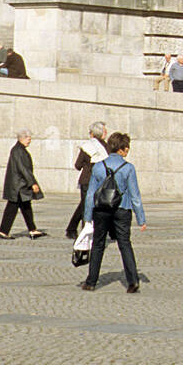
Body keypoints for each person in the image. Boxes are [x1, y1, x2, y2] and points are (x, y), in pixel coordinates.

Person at [81, 132, 146, 294]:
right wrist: (141, 218)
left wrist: (87, 217)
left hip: (101, 210)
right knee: (125, 243)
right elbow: (135, 195)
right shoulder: (128, 168)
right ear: (123, 150)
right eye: (127, 149)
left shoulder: (98, 166)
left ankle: (91, 282)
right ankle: (133, 281)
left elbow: (90, 194)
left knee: (98, 244)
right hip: (122, 209)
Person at [0, 130, 46, 240]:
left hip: (19, 184)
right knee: (14, 207)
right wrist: (32, 183)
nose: (30, 141)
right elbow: (23, 169)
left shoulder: (19, 150)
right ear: (22, 138)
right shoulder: (18, 151)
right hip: (19, 185)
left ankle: (32, 230)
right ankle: (3, 232)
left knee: (25, 206)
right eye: (28, 139)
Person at [66, 121, 108, 239]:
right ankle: (79, 230)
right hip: (100, 181)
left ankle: (74, 229)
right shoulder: (106, 147)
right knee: (88, 206)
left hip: (87, 180)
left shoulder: (87, 147)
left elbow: (78, 165)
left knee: (85, 206)